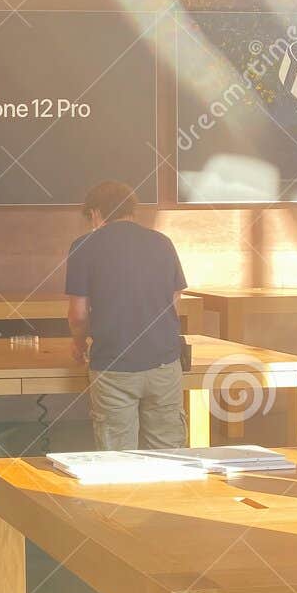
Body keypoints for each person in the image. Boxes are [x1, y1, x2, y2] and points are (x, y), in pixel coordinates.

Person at [64, 180, 187, 451]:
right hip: (164, 363)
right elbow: (175, 299)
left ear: (95, 213)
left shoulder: (84, 246)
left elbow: (78, 314)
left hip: (113, 364)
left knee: (117, 456)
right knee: (170, 453)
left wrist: (78, 342)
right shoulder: (162, 243)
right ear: (132, 210)